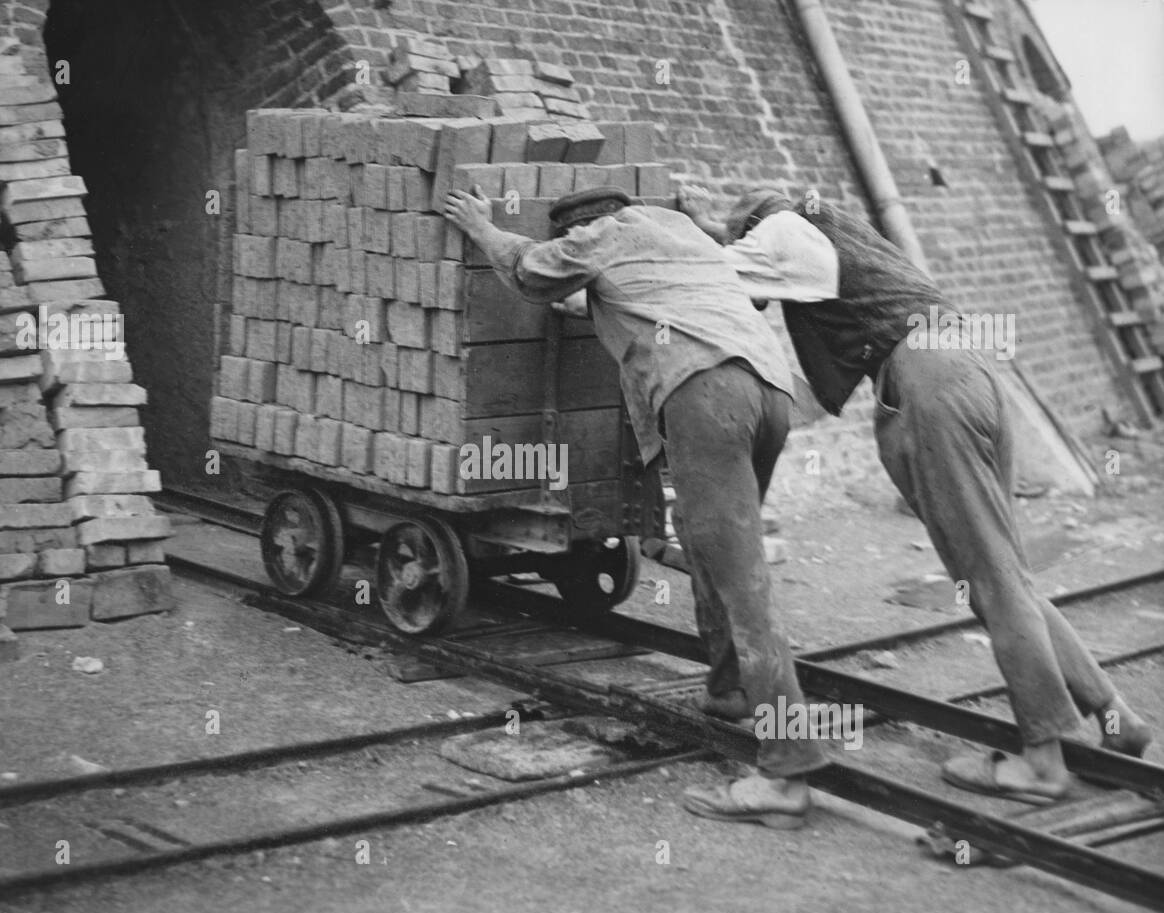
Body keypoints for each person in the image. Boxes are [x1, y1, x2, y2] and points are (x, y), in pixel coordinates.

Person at [680, 184, 1153, 805]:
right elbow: (758, 266)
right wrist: (714, 226)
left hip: (930, 383)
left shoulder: (785, 234)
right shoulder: (831, 232)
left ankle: (1046, 759)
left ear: (757, 228)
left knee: (990, 581)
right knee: (1005, 573)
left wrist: (673, 238)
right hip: (968, 368)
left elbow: (719, 273)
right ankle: (1116, 718)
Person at [443, 184, 828, 827]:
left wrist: (482, 228)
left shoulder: (605, 233)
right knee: (710, 543)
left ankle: (787, 775)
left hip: (706, 392)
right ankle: (729, 690)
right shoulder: (680, 235)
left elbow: (530, 270)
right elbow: (629, 301)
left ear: (586, 228)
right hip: (770, 391)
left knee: (744, 587)